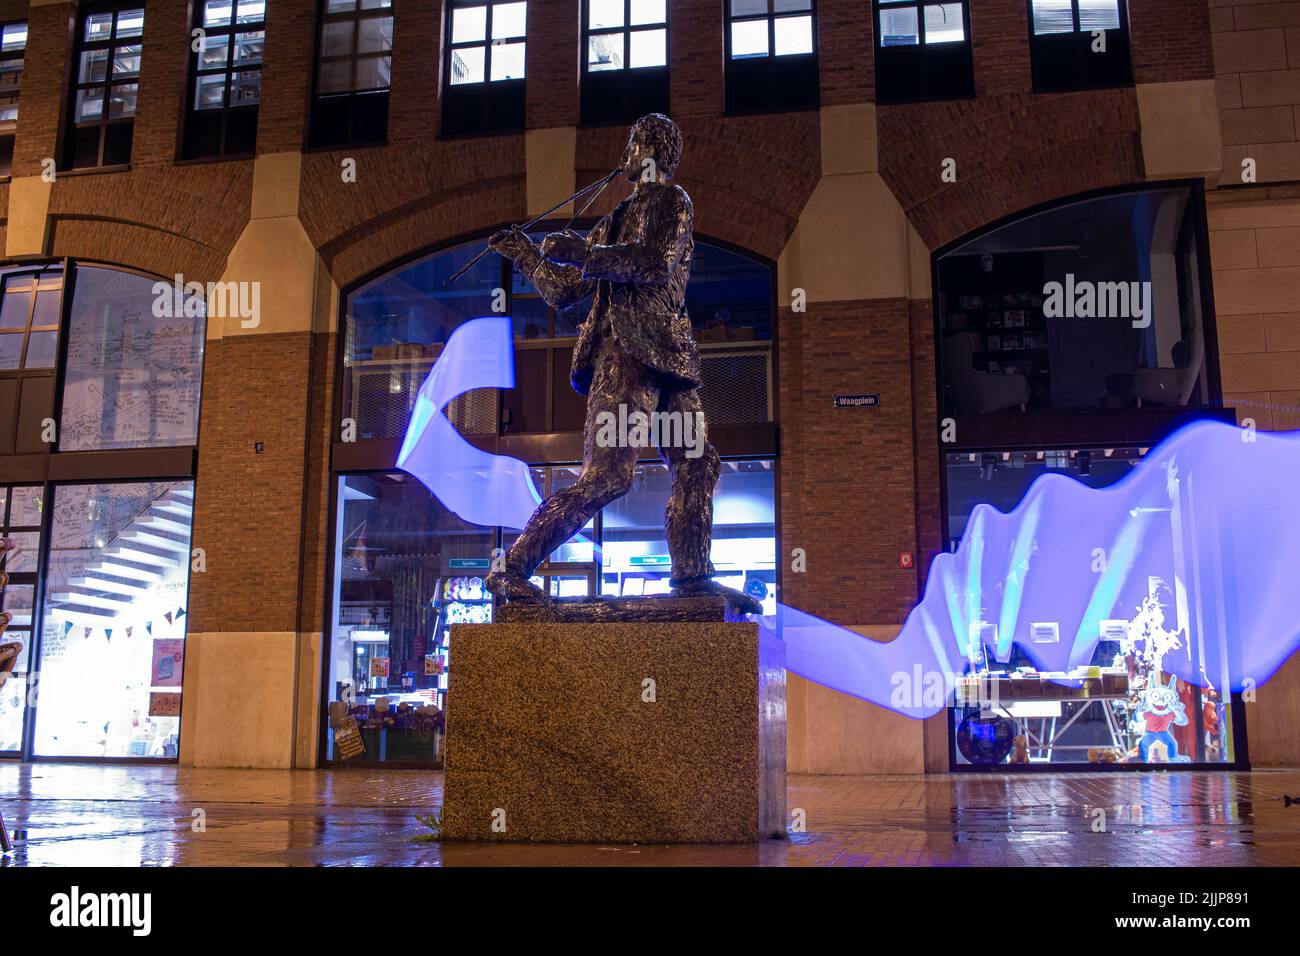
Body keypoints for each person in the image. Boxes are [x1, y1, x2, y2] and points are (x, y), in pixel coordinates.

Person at [484, 114, 759, 614]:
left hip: (667, 360)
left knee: (698, 464)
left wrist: (584, 254)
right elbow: (568, 294)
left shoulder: (673, 202)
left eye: (633, 143)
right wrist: (527, 257)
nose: (626, 153)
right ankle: (512, 569)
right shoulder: (610, 223)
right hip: (624, 359)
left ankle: (693, 577)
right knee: (609, 476)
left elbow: (653, 262)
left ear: (651, 150)